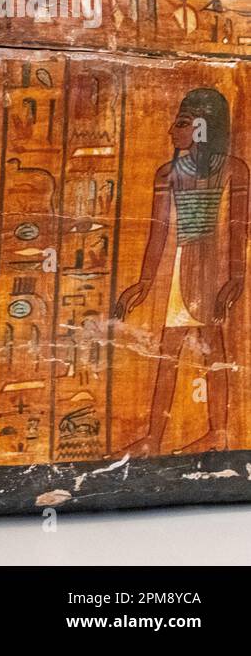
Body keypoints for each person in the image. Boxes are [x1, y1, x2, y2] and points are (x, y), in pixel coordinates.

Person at [115, 88, 247, 456]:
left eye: (183, 123)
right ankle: (154, 438)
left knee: (212, 349)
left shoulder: (233, 170)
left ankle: (218, 432)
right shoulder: (168, 173)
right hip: (181, 266)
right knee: (169, 350)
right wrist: (143, 281)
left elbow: (238, 229)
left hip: (209, 269)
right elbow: (158, 231)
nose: (173, 131)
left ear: (203, 129)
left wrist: (235, 277)